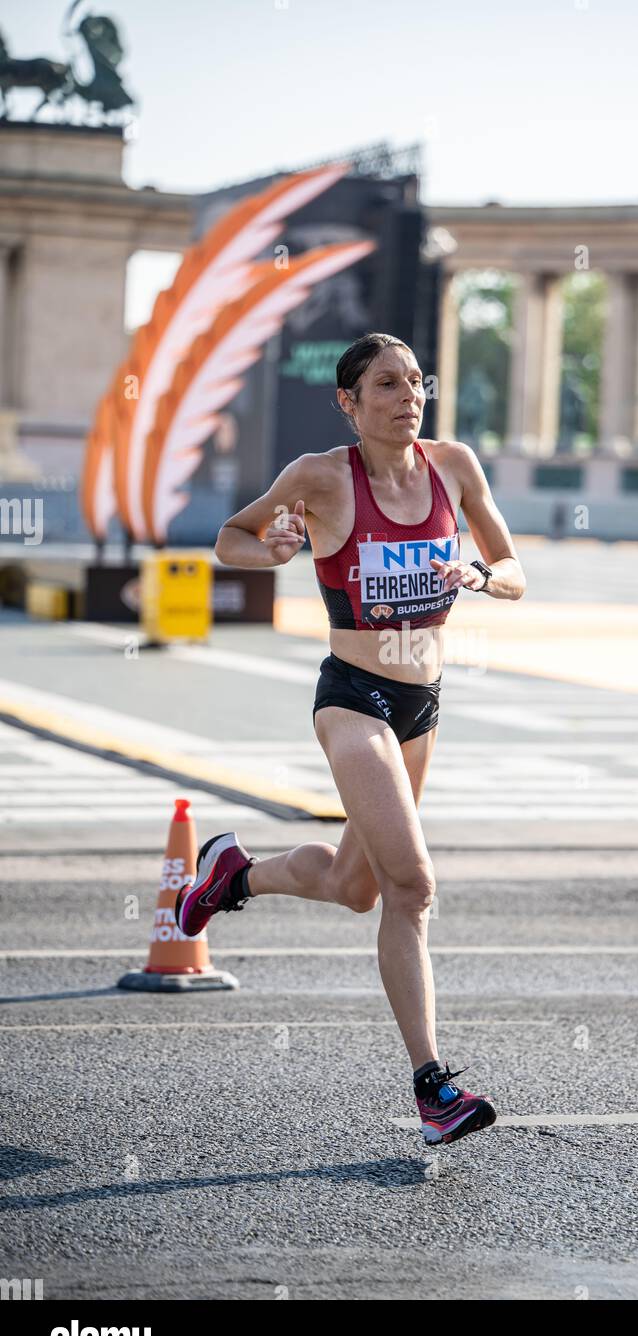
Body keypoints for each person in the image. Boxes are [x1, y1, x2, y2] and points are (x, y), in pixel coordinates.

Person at [175, 331, 526, 1146]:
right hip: (353, 699)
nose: (408, 397)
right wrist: (276, 550)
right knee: (413, 886)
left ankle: (232, 876)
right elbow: (231, 536)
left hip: (422, 704)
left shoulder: (456, 467)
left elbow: (513, 567)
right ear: (349, 402)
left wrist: (478, 576)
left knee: (354, 884)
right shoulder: (320, 477)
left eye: (415, 383)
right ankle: (434, 1087)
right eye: (387, 385)